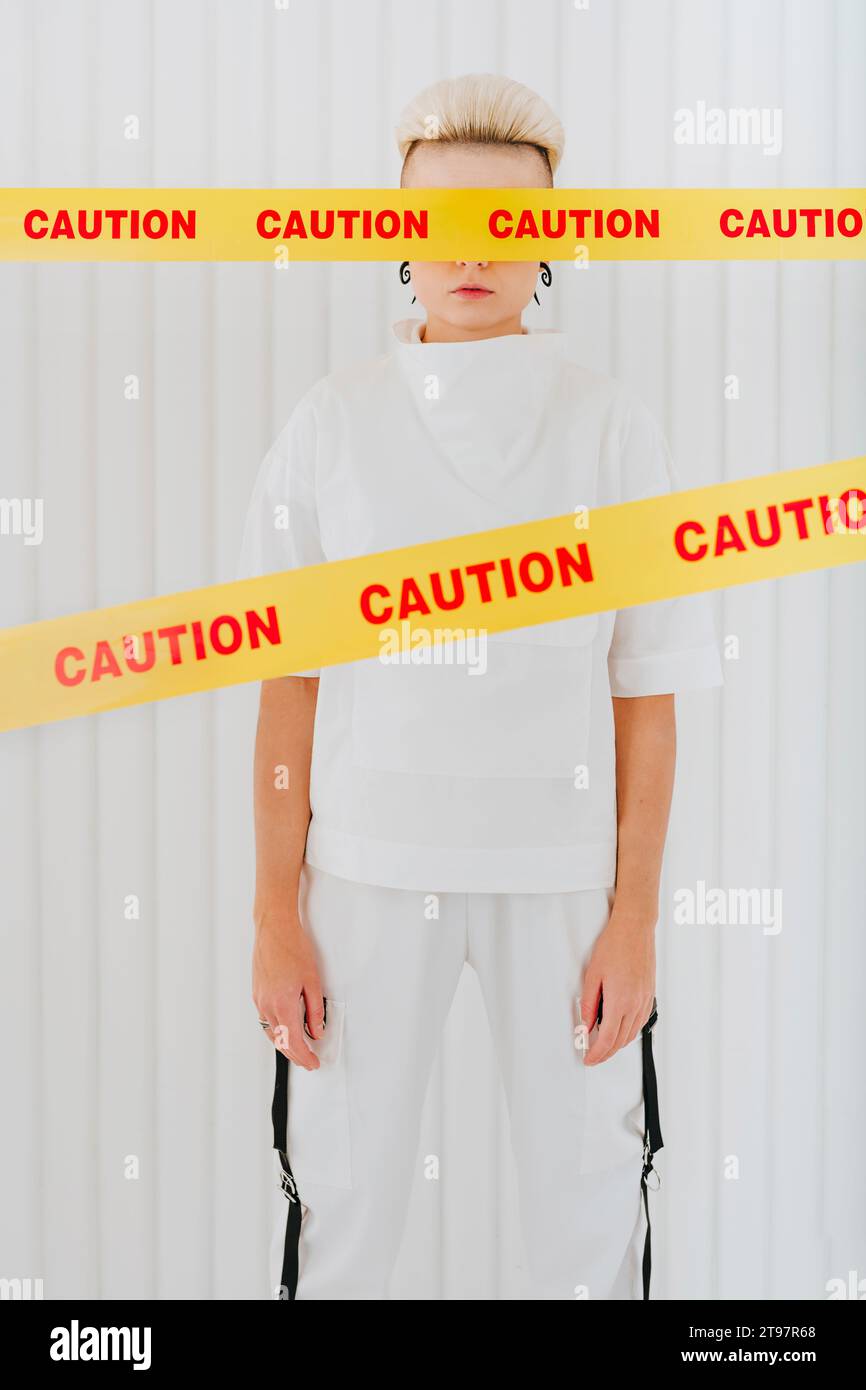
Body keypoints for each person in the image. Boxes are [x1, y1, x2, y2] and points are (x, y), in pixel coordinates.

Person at [238, 73, 723, 1301]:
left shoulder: (610, 430)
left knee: (591, 1217)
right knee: (341, 1211)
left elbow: (645, 688)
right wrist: (274, 911)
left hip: (560, 886)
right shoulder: (330, 426)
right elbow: (285, 684)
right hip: (363, 878)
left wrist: (633, 914)